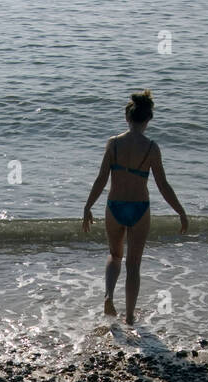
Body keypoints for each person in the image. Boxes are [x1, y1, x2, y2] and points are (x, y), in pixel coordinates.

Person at [82, 89, 189, 324]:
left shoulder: (113, 144)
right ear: (148, 119)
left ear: (127, 118)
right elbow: (163, 185)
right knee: (134, 264)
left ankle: (109, 295)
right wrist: (180, 211)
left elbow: (101, 179)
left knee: (114, 254)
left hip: (114, 206)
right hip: (139, 208)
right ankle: (130, 317)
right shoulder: (151, 148)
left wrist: (88, 206)